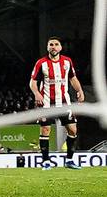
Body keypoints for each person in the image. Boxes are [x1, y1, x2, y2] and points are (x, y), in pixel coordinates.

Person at [28, 36, 85, 167]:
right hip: (46, 103)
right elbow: (33, 82)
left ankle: (69, 160)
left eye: (56, 44)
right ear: (47, 47)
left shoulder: (67, 62)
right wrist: (37, 93)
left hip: (64, 102)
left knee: (73, 130)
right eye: (51, 44)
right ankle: (46, 161)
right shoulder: (41, 63)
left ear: (60, 47)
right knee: (45, 130)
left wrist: (80, 90)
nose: (53, 47)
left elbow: (73, 78)